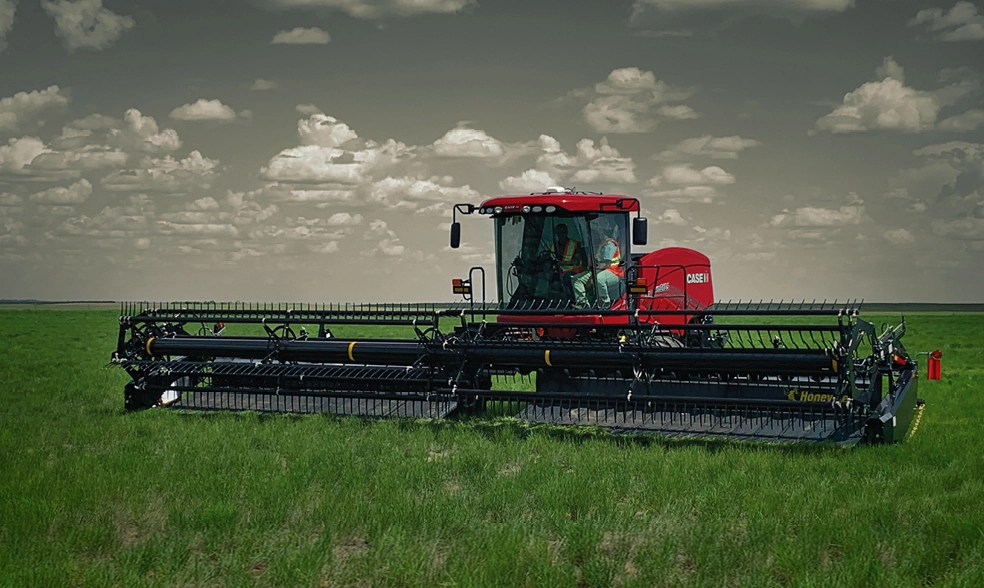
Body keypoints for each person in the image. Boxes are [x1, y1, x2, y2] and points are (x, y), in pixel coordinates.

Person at [572, 234, 624, 308]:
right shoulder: (600, 244)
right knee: (576, 279)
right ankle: (583, 304)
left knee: (599, 279)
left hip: (613, 272)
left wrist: (592, 276)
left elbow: (606, 264)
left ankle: (604, 304)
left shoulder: (610, 244)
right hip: (600, 270)